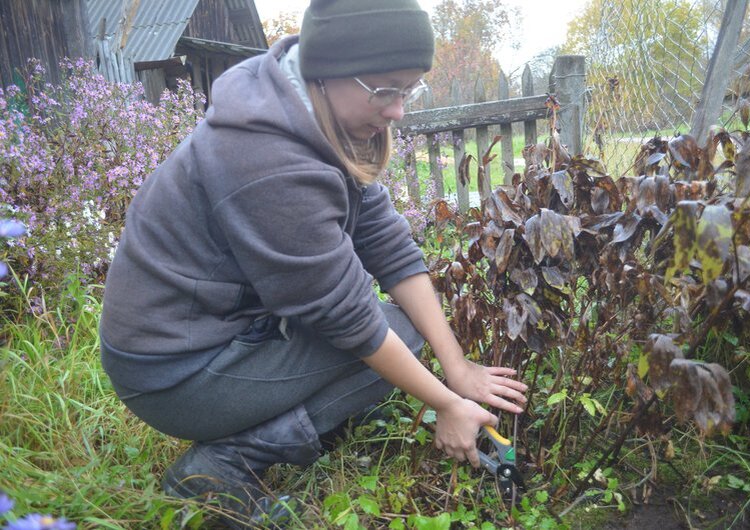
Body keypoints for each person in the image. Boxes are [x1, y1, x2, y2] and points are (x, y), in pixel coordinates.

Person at [99, 0, 528, 526]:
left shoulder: (314, 117)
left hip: (215, 336)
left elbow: (387, 244)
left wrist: (458, 367)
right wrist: (446, 403)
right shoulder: (265, 161)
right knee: (396, 340)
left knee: (403, 338)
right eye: (385, 90)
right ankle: (219, 471)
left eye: (409, 89)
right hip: (172, 373)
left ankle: (295, 414)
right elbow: (347, 318)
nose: (398, 110)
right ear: (327, 73)